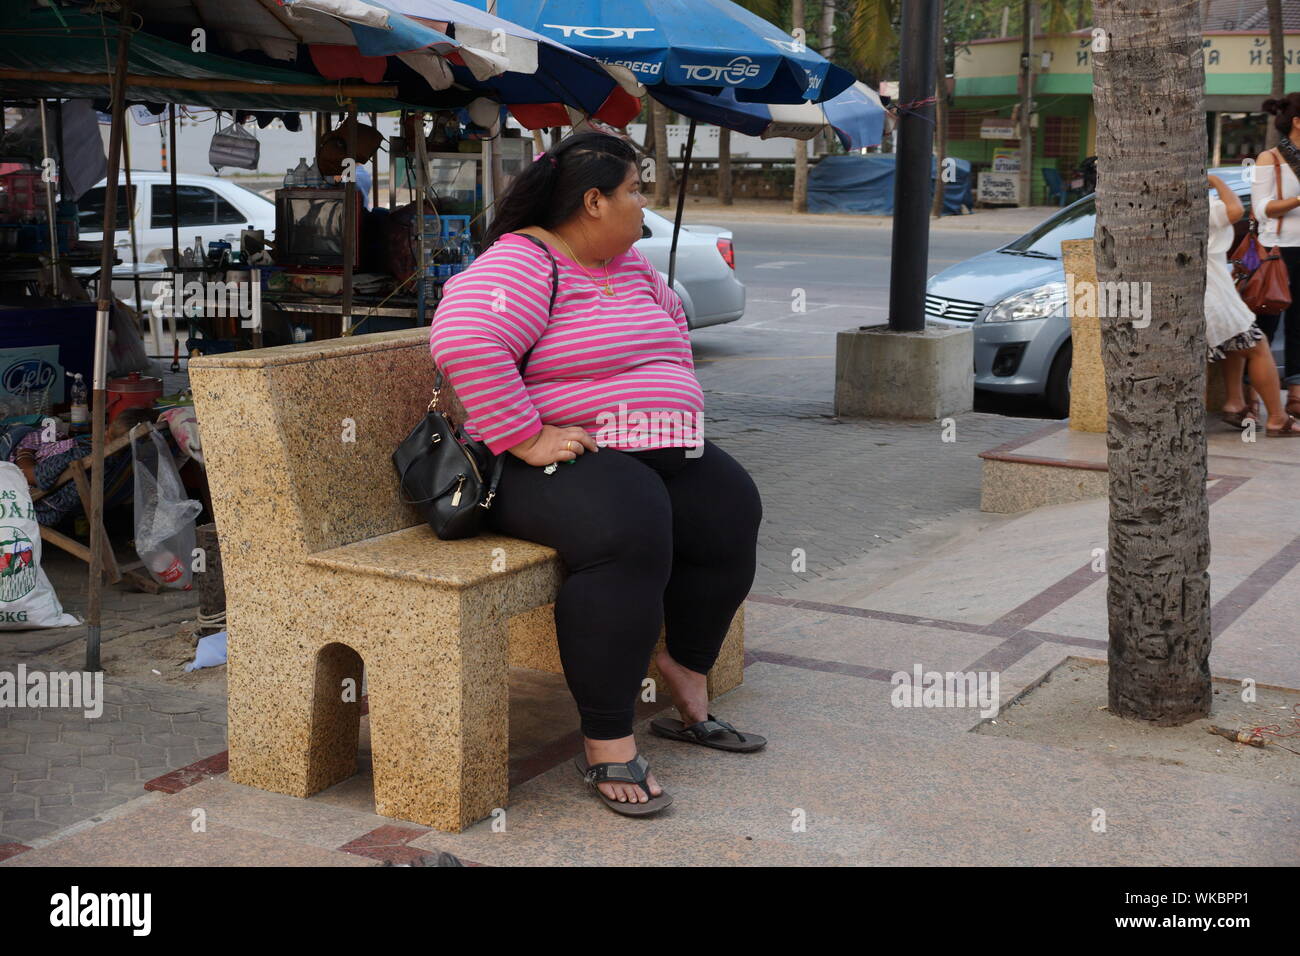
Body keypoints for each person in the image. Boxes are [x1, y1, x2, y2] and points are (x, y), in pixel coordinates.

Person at [429, 132, 765, 818]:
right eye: (636, 190)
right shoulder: (527, 263)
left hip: (652, 445)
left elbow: (670, 328)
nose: (644, 205)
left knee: (730, 504)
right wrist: (525, 437)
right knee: (631, 523)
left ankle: (686, 669)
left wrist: (662, 398)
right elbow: (464, 338)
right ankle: (607, 740)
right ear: (592, 201)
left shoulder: (627, 266)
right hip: (537, 467)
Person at [1210, 175, 1299, 434]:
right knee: (1257, 345)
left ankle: (1235, 403)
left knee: (1238, 342)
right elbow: (1237, 210)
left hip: (1214, 292)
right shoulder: (1203, 205)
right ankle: (1277, 419)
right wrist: (1216, 180)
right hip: (1214, 294)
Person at [1250, 94, 1300, 416]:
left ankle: (1295, 395)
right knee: (1266, 322)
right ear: (1297, 121)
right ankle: (1250, 400)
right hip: (1277, 249)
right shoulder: (1270, 158)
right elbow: (1260, 208)